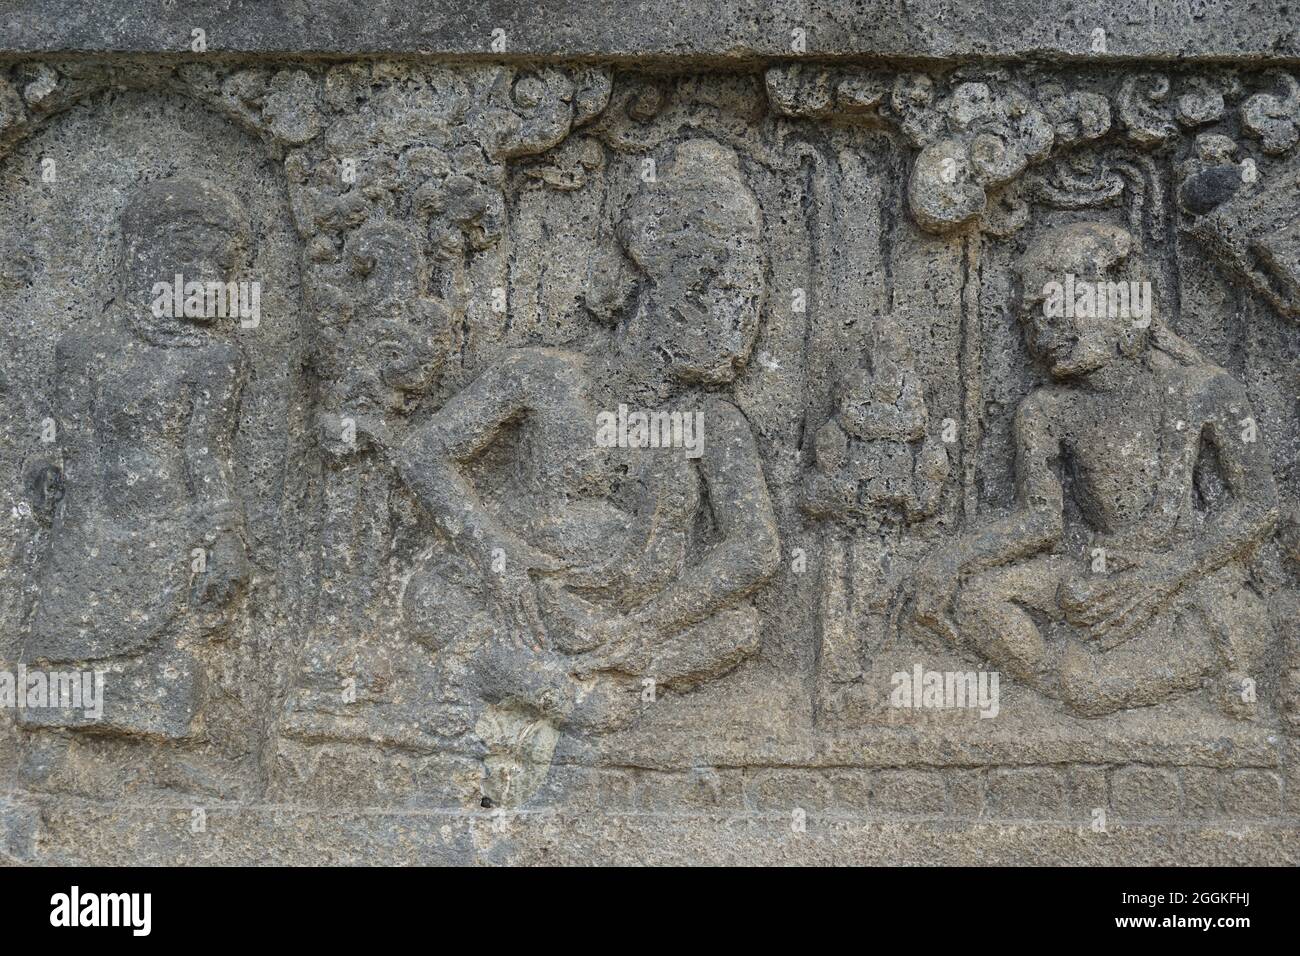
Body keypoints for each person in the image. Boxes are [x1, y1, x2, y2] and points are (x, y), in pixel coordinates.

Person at [904, 221, 1278, 717]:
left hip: (1186, 578)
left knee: (1088, 684)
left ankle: (1095, 681)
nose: (1041, 331)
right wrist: (952, 560)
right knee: (978, 602)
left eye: (1054, 307)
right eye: (1029, 316)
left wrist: (1165, 575)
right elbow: (1040, 521)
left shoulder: (1204, 390)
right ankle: (1056, 686)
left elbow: (1258, 504)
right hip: (1096, 568)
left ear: (1116, 302)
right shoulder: (1044, 410)